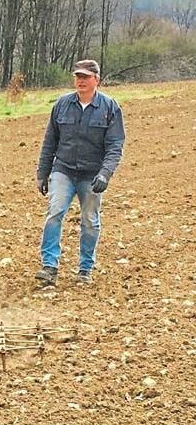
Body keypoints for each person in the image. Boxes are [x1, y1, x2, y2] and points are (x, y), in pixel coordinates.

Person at [35, 59, 125, 287]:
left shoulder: (110, 108)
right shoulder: (62, 105)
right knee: (54, 212)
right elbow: (50, 142)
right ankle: (49, 266)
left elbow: (115, 146)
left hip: (92, 174)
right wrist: (42, 173)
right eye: (78, 77)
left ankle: (85, 268)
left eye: (85, 77)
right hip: (63, 169)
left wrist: (105, 174)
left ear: (97, 80)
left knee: (89, 220)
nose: (81, 81)